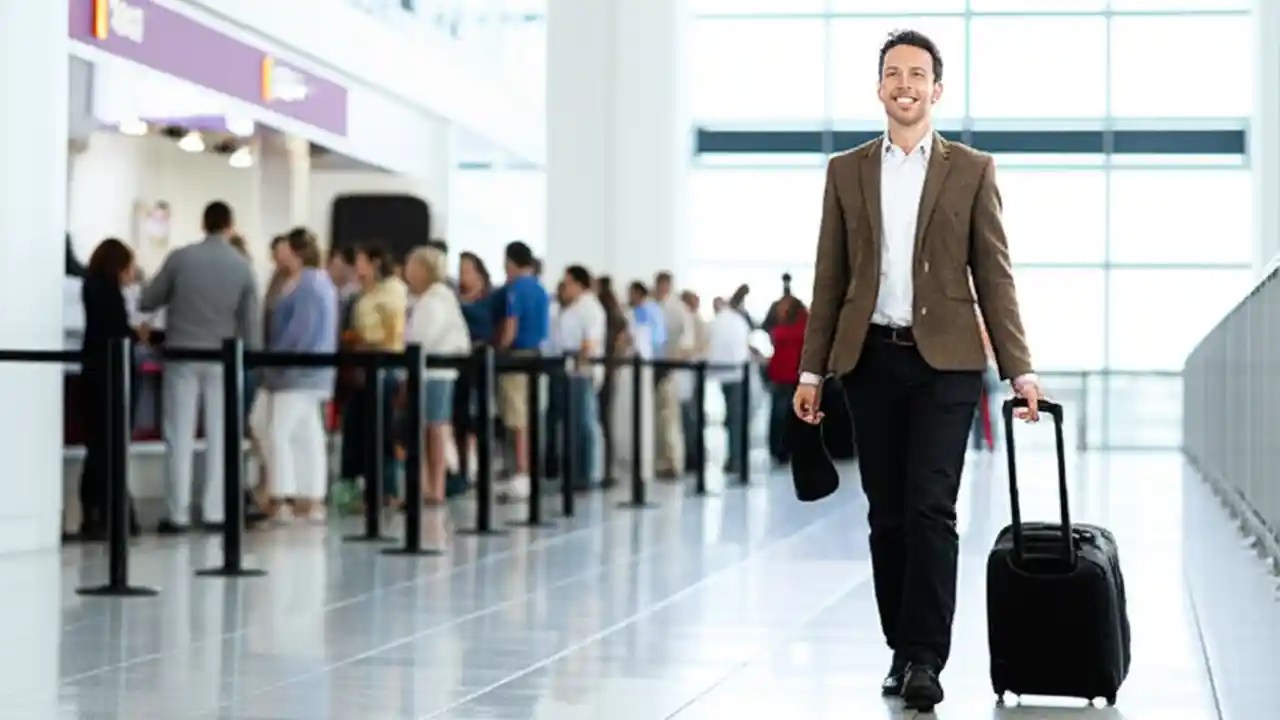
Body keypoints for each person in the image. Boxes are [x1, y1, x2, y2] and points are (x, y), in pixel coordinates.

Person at [791, 30, 1044, 712]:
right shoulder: (847, 171)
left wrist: (1019, 370)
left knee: (932, 507)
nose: (905, 84)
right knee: (888, 515)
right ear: (879, 88)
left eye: (918, 74)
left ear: (937, 90)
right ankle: (901, 647)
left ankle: (927, 656)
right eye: (893, 73)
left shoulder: (971, 169)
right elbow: (830, 274)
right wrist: (811, 373)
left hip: (949, 366)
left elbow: (995, 274)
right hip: (869, 359)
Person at [140, 201, 259, 533]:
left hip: (181, 355)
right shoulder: (241, 265)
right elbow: (250, 322)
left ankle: (176, 514)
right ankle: (214, 511)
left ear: (203, 223)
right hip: (222, 359)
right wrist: (251, 357)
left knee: (179, 435)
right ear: (230, 225)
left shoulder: (181, 258)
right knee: (221, 436)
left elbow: (149, 299)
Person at [78, 238, 146, 539]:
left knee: (97, 446)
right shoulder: (110, 294)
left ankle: (93, 512)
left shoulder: (91, 287)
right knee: (113, 445)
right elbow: (117, 333)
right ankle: (113, 512)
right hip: (113, 377)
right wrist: (138, 334)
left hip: (93, 375)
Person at [403, 246, 471, 503]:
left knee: (435, 428)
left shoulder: (435, 300)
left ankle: (436, 486)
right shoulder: (428, 298)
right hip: (430, 372)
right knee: (429, 428)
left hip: (436, 374)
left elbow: (423, 337)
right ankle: (428, 484)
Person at [494, 241, 549, 502]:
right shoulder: (540, 289)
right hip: (537, 356)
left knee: (516, 418)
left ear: (510, 262)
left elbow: (510, 328)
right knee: (530, 413)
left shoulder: (515, 289)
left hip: (516, 358)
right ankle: (527, 470)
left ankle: (521, 472)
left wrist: (498, 348)